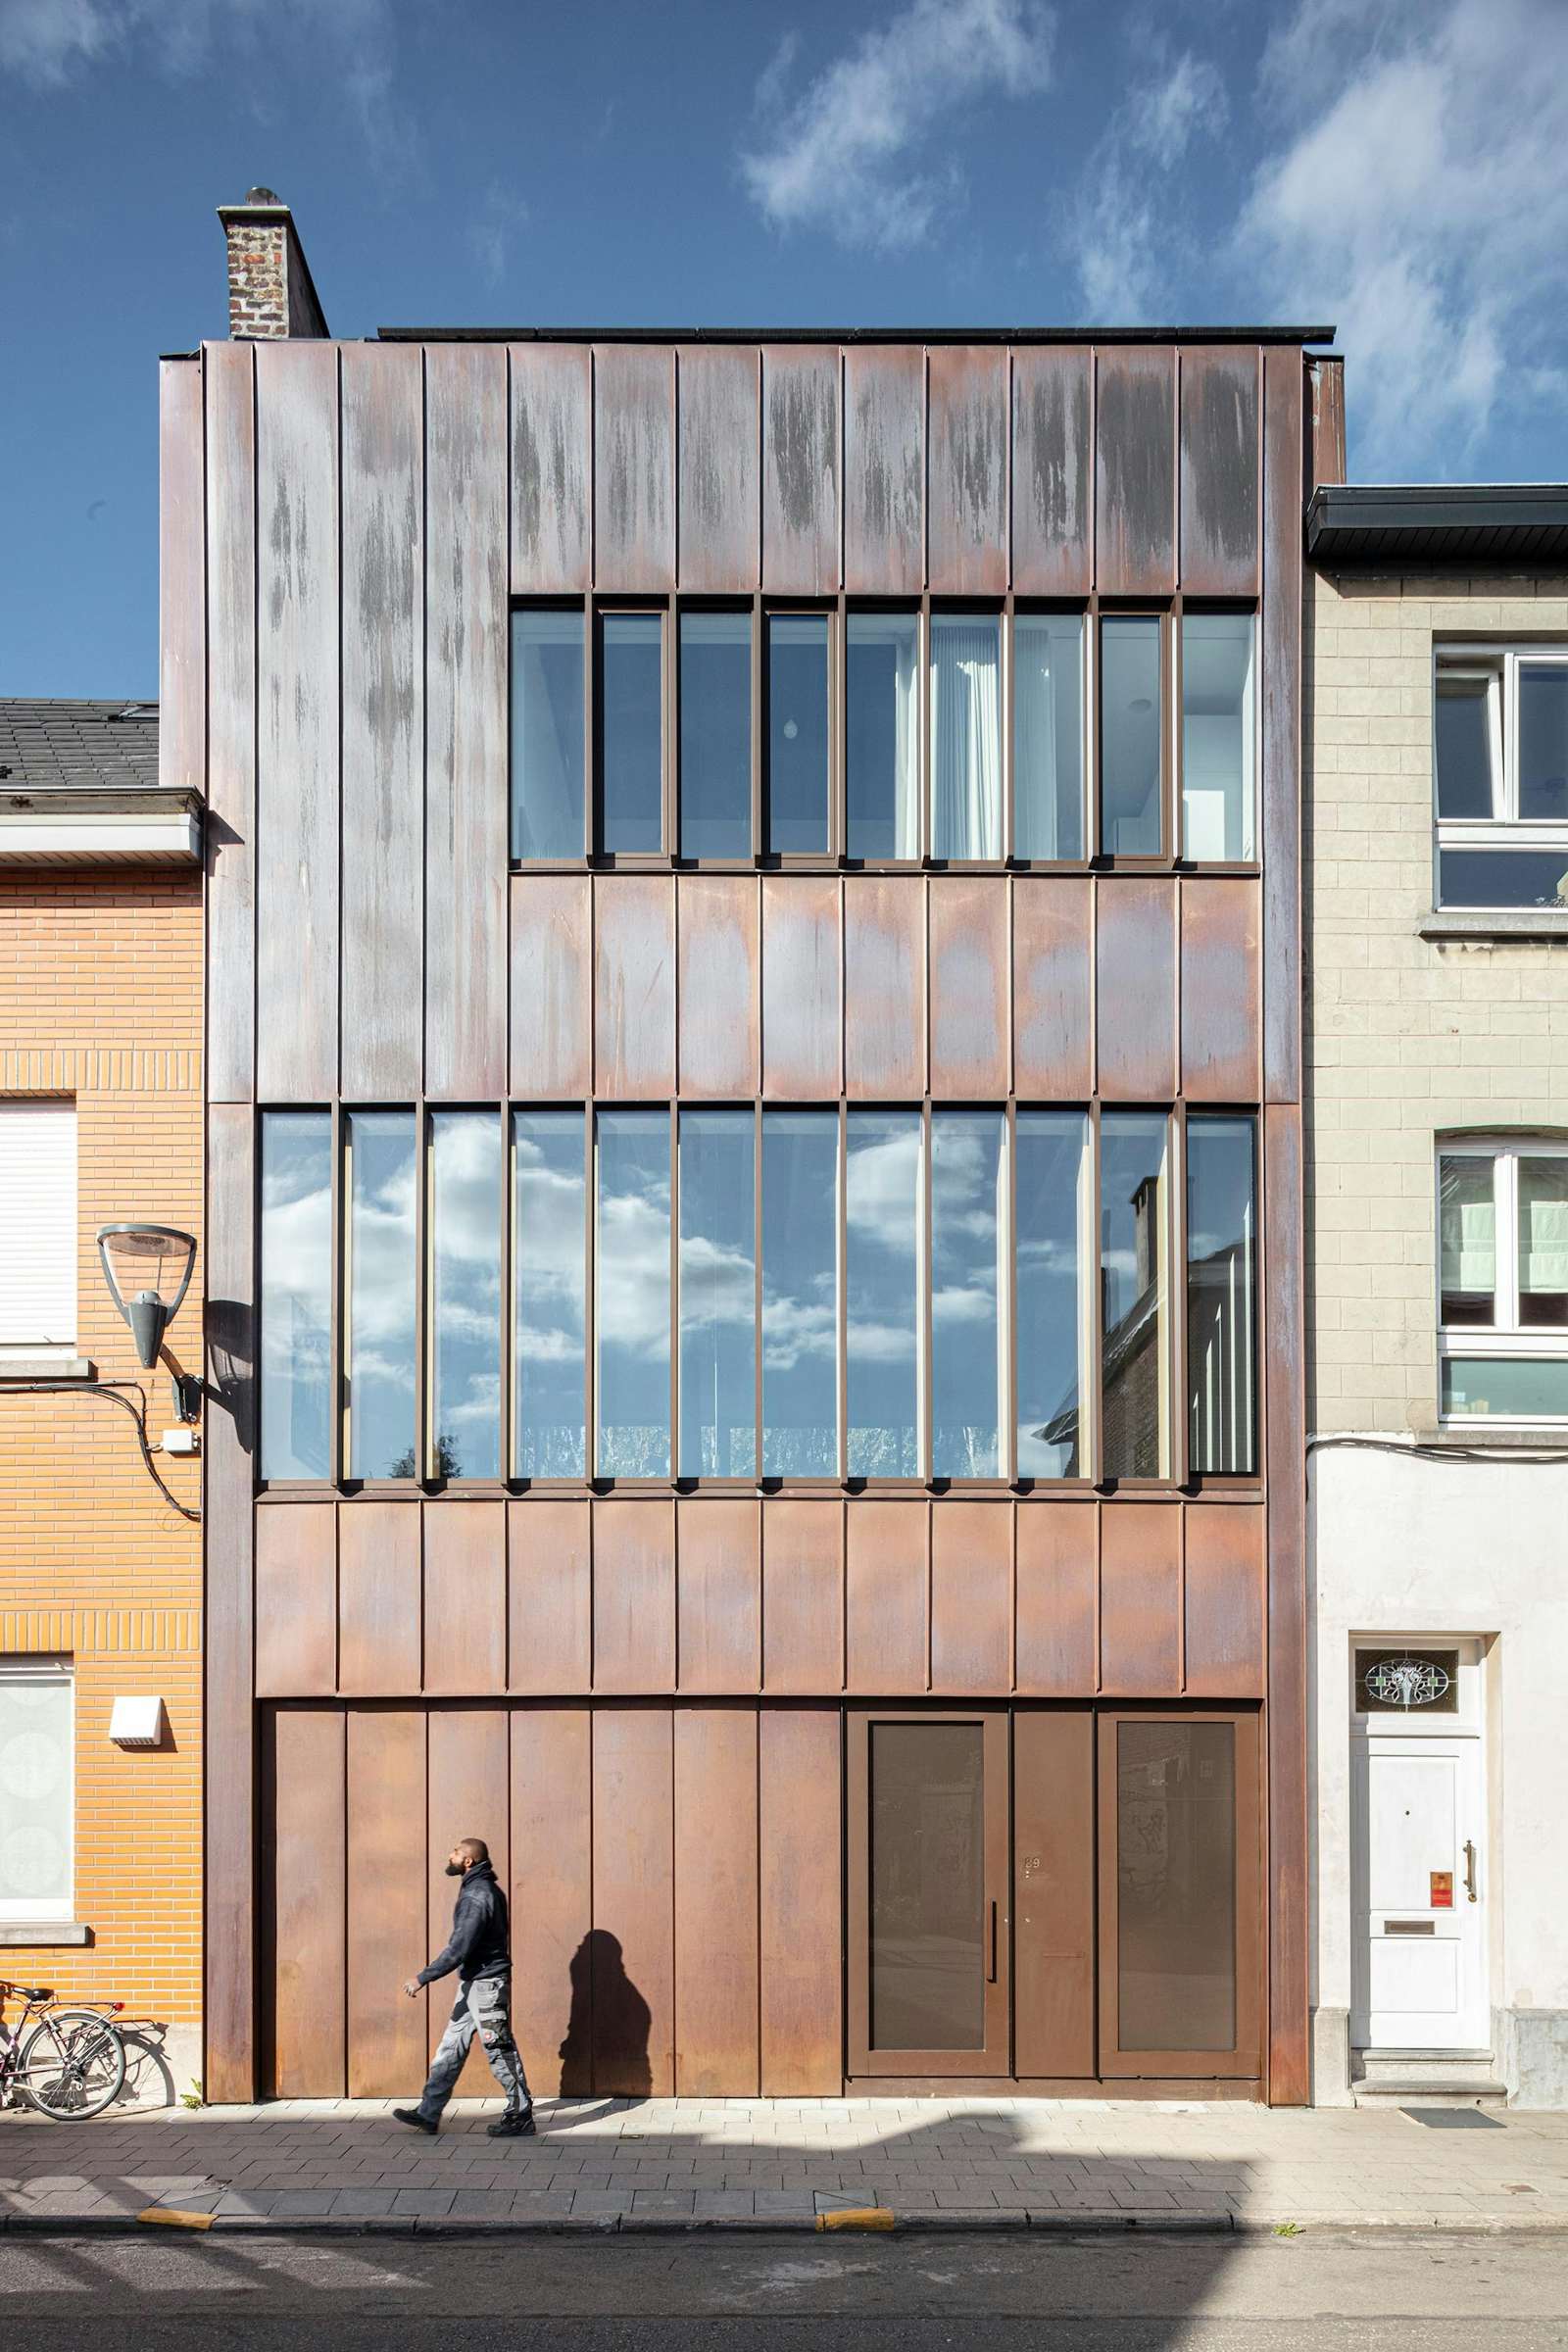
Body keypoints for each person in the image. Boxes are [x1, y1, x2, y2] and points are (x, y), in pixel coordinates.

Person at [392, 1836, 535, 2138]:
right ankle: (429, 2113)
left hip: (486, 1986)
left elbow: (459, 1947)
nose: (450, 1855)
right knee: (450, 2048)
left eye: (455, 1852)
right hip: (473, 1982)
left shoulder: (477, 1895)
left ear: (468, 1861)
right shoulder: (480, 1890)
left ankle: (521, 2114)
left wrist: (422, 1977)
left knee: (498, 2047)